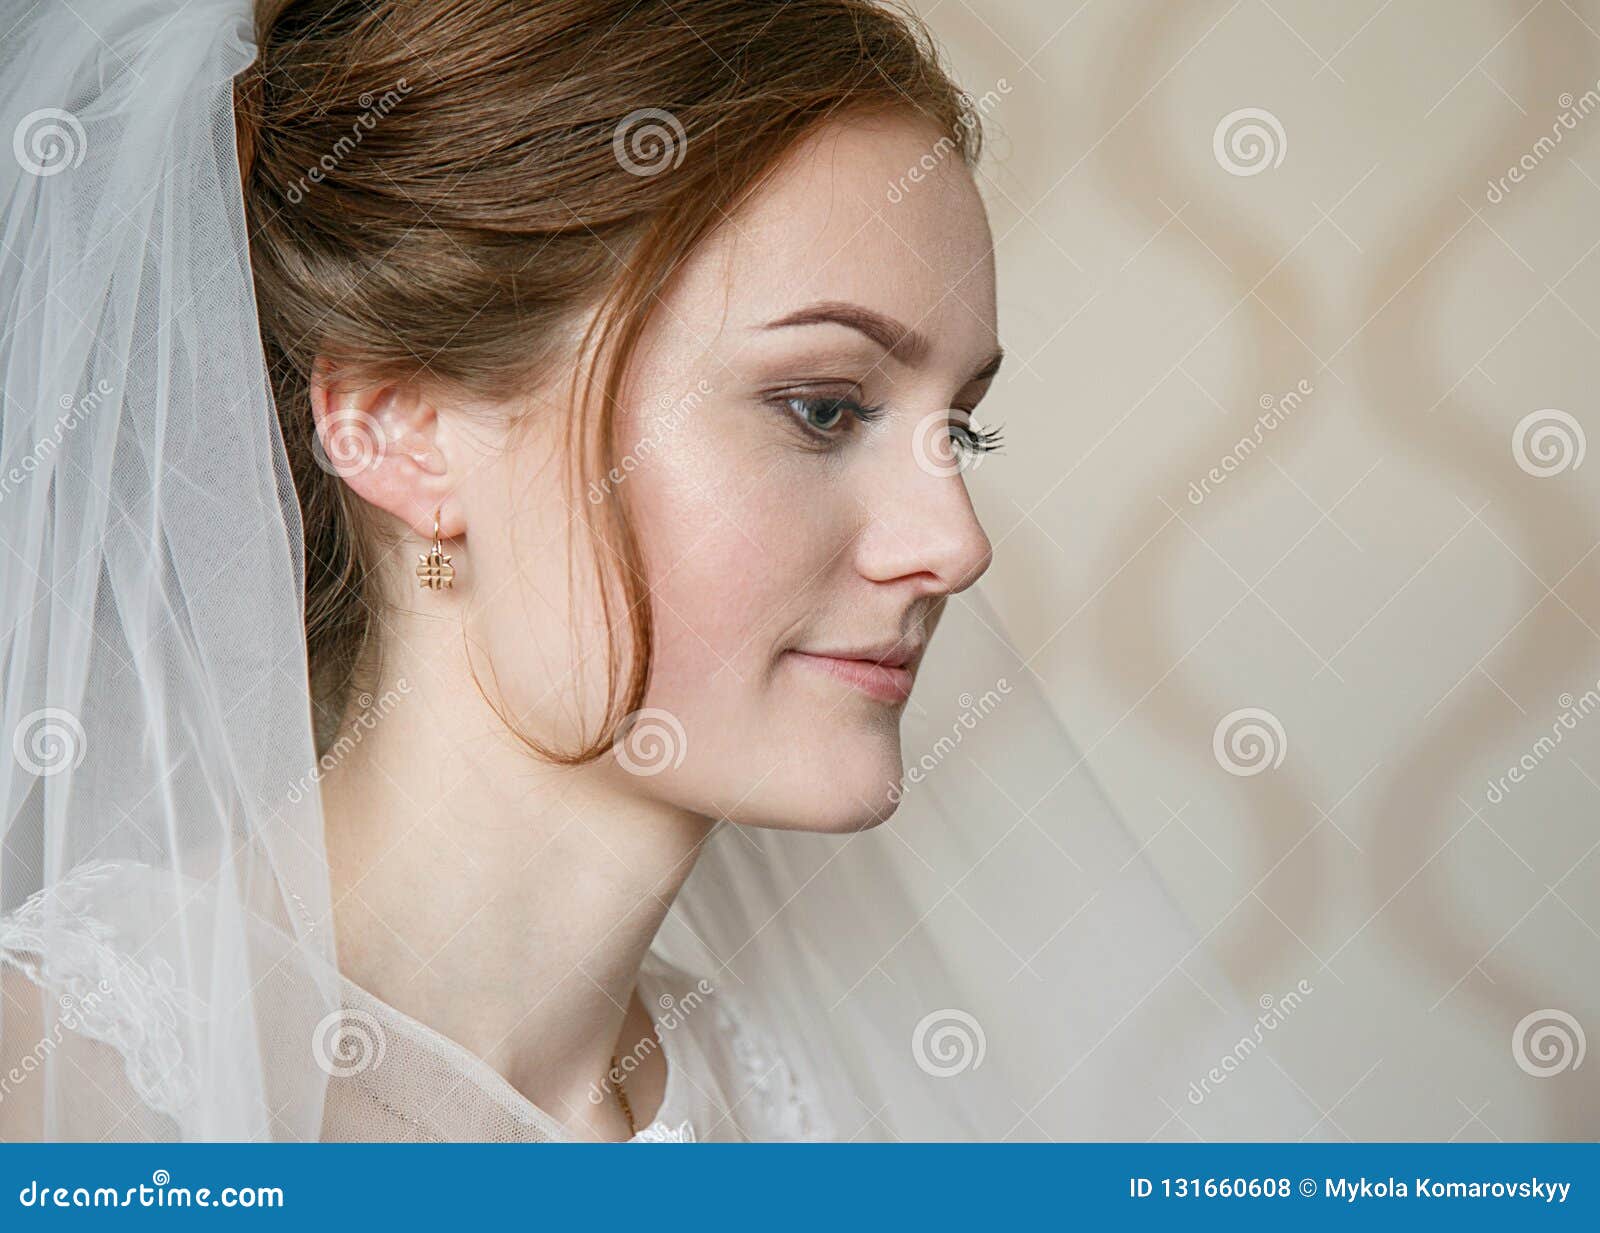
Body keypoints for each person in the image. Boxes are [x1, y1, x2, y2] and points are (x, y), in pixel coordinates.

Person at [0, 0, 1321, 1143]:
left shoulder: (805, 1109)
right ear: (399, 425)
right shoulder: (64, 1087)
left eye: (959, 425)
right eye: (822, 406)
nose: (957, 541)